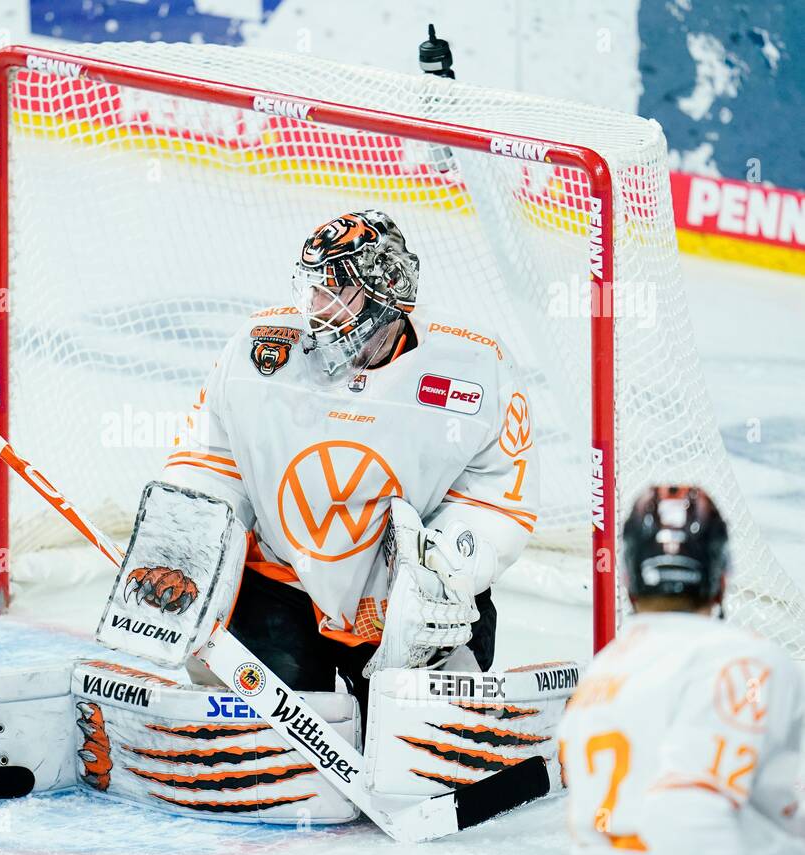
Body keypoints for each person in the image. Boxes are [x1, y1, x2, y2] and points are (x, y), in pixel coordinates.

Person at [121, 209, 539, 703]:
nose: (313, 306)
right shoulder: (258, 355)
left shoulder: (475, 368)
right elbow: (212, 461)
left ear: (386, 292)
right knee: (263, 757)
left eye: (333, 290)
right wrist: (185, 549)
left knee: (420, 753)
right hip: (282, 583)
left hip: (406, 601)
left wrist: (445, 566)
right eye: (311, 287)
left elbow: (496, 498)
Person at [559, 486, 805, 855]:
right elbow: (689, 816)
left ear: (629, 579)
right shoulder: (749, 663)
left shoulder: (598, 678)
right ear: (721, 577)